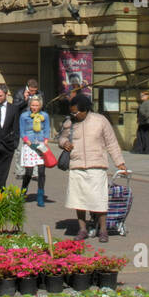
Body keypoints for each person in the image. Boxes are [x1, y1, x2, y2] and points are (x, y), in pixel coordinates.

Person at [58, 93, 128, 242]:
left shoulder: (100, 121)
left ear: (85, 110)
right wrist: (64, 143)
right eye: (72, 112)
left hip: (96, 165)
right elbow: (61, 137)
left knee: (98, 200)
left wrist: (119, 162)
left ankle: (103, 231)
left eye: (76, 112)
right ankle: (82, 229)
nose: (74, 114)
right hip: (77, 165)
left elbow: (111, 143)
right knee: (79, 200)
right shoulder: (70, 122)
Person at [18, 94, 50, 206]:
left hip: (40, 144)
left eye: (36, 105)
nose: (34, 107)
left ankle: (40, 195)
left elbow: (47, 130)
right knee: (29, 172)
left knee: (41, 171)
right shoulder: (24, 116)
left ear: (40, 105)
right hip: (29, 145)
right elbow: (22, 131)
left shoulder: (44, 116)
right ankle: (23, 191)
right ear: (29, 105)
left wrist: (45, 141)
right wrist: (27, 141)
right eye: (32, 105)